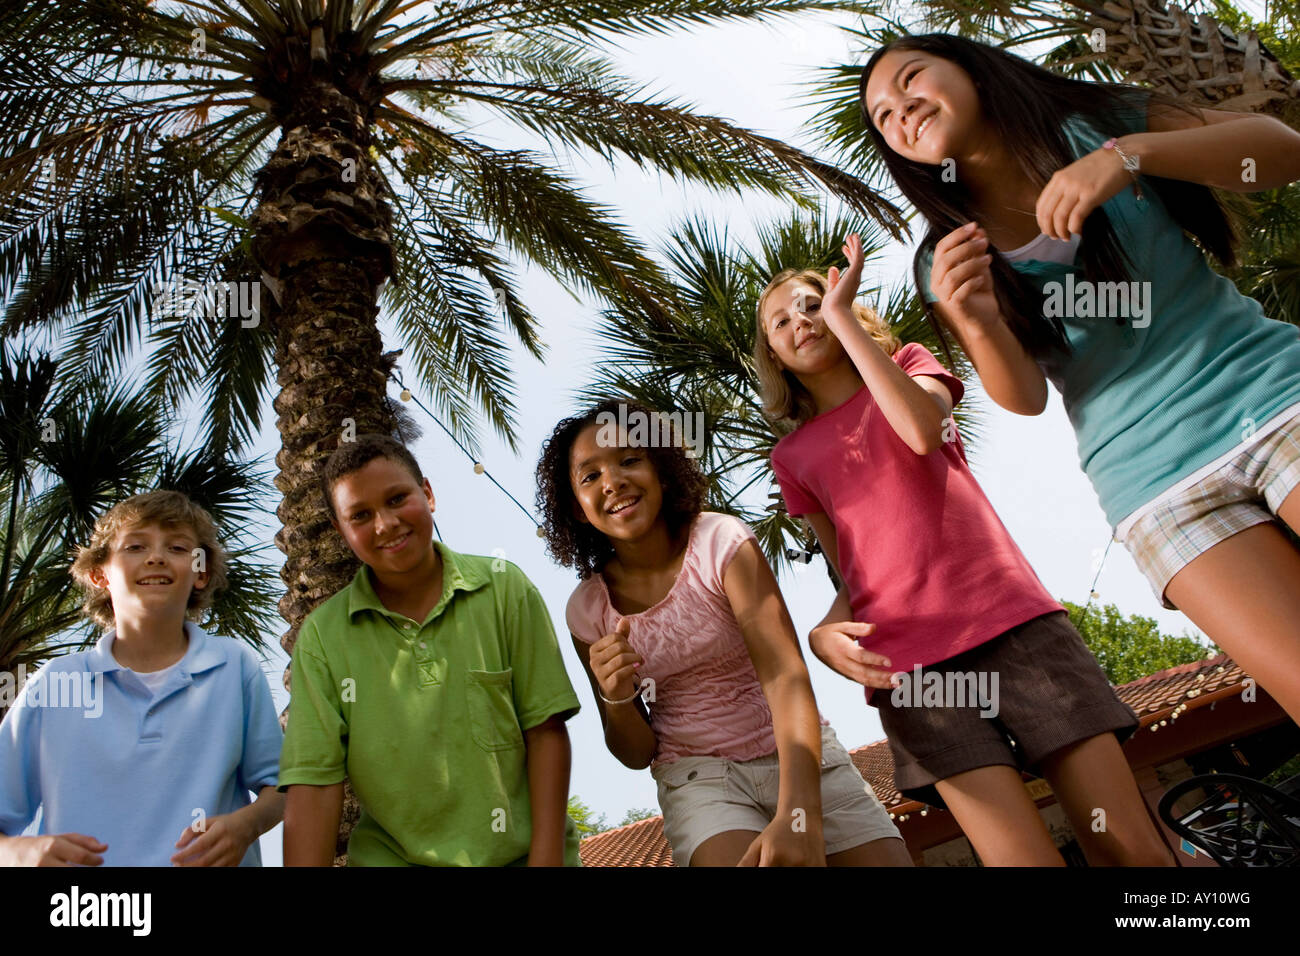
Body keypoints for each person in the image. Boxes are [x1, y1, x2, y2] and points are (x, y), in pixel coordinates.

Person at [860, 32, 1300, 724]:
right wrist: (976, 323)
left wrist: (1128, 157)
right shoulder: (943, 256)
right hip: (1155, 483)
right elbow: (1026, 398)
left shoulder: (1096, 123)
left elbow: (1277, 150)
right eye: (883, 117)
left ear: (972, 71)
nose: (901, 111)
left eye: (911, 80)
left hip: (1273, 397)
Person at [756, 240, 1172, 864]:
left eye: (812, 304)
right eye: (780, 322)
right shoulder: (791, 458)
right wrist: (823, 633)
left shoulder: (915, 365)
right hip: (911, 672)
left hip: (1014, 624)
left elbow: (922, 429)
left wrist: (844, 319)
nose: (801, 322)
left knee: (1128, 846)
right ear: (774, 356)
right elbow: (852, 566)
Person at [537, 398, 909, 866]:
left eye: (629, 459)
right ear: (575, 507)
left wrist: (801, 814)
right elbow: (635, 752)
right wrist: (615, 695)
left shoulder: (721, 542)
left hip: (797, 753)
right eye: (590, 475)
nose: (613, 482)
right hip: (701, 780)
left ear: (662, 469)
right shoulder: (587, 610)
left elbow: (784, 676)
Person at [279, 434, 582, 866]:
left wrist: (546, 859)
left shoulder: (503, 588)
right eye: (360, 515)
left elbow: (545, 730)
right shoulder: (323, 640)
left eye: (397, 498)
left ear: (428, 493)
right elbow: (314, 785)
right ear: (341, 532)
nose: (385, 524)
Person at [0, 490, 283, 866]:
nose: (156, 557)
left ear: (201, 572)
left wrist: (245, 826)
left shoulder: (234, 666)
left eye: (179, 548)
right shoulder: (54, 683)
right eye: (135, 546)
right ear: (99, 573)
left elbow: (283, 787)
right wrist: (19, 852)